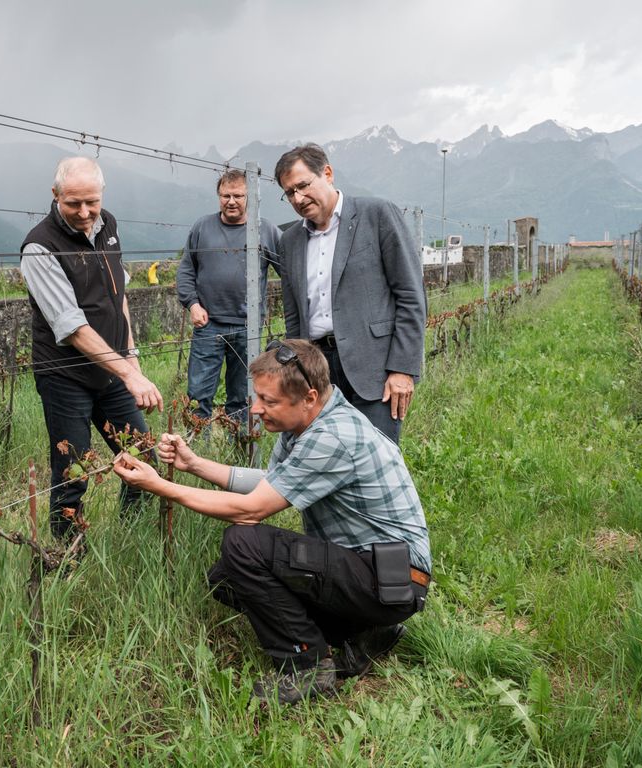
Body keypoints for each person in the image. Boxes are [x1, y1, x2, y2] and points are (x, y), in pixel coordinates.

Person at [113, 339, 430, 708]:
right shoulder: (307, 425)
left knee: (242, 543)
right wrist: (194, 464)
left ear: (308, 397)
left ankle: (307, 664)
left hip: (393, 579)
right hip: (374, 571)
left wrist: (162, 486)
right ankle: (362, 633)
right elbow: (272, 481)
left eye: (269, 401)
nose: (255, 409)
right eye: (257, 397)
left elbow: (251, 510)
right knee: (227, 578)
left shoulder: (333, 437)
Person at [20, 156, 163, 541]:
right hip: (65, 375)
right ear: (55, 196)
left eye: (92, 202)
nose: (85, 213)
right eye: (73, 203)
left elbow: (119, 295)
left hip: (112, 369)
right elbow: (72, 327)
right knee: (72, 472)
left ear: (101, 196)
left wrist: (130, 356)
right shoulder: (39, 247)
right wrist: (130, 374)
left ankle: (132, 536)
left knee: (141, 457)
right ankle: (68, 557)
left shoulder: (108, 225)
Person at [273, 143, 425, 444]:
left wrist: (402, 370)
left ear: (327, 173)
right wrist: (297, 370)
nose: (299, 198)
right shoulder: (289, 241)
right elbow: (293, 314)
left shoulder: (377, 215)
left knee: (376, 458)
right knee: (322, 458)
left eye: (303, 185)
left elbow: (410, 295)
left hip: (375, 368)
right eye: (290, 193)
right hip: (316, 369)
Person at [176, 169, 281, 432]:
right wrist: (192, 304)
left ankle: (242, 450)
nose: (231, 201)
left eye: (238, 196)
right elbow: (187, 270)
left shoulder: (265, 230)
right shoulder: (202, 227)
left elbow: (289, 272)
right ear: (218, 196)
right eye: (225, 195)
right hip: (208, 325)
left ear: (251, 198)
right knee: (198, 395)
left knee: (243, 395)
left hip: (249, 328)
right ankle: (197, 452)